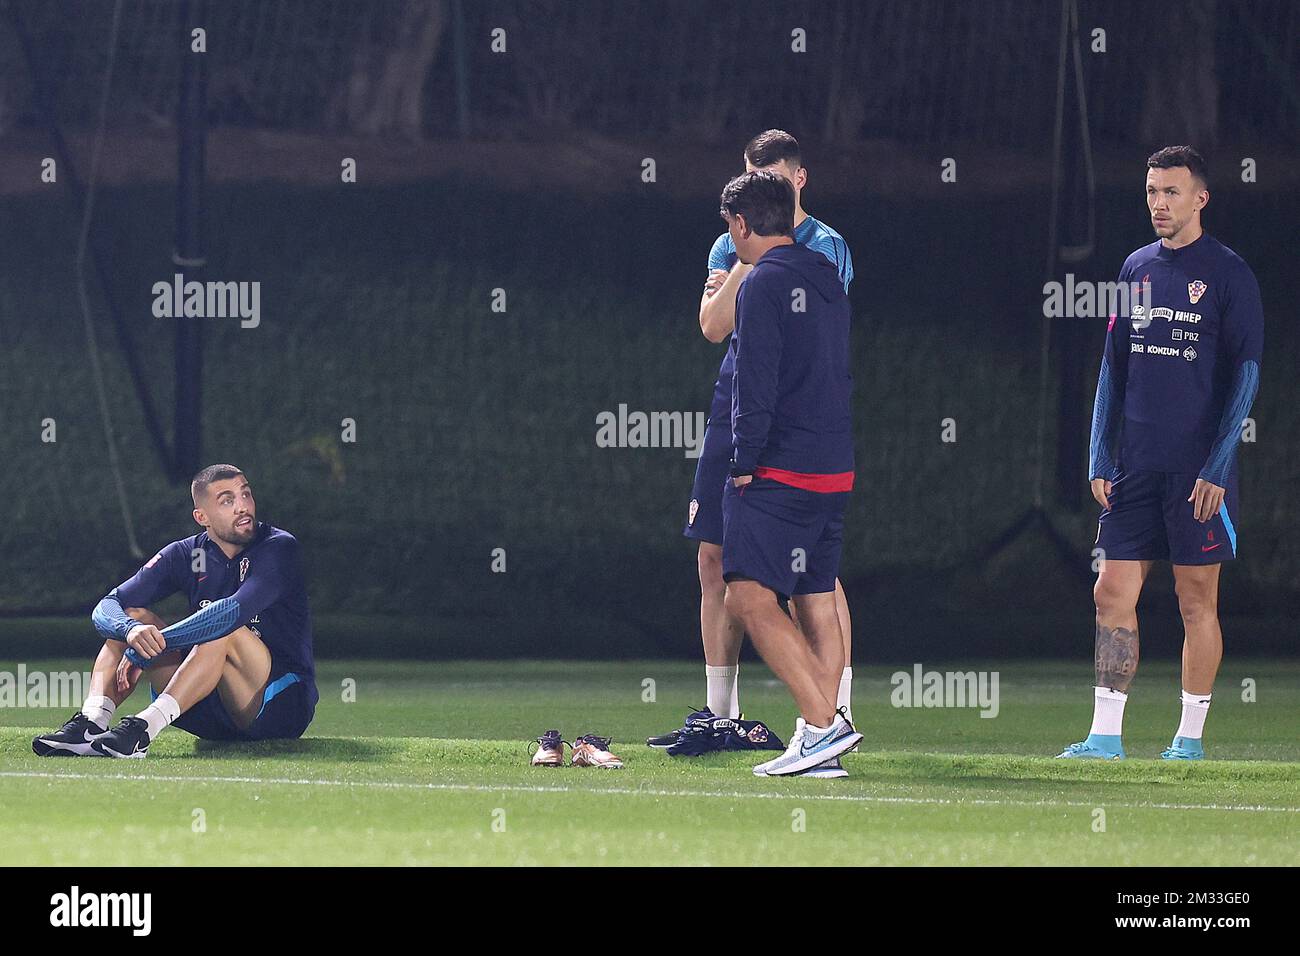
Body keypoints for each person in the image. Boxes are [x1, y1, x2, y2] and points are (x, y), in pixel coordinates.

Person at [1059, 146, 1263, 761]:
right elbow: (1113, 369)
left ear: (1200, 198)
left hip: (1197, 472)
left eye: (1171, 192)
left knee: (1195, 600)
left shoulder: (1229, 275)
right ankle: (1104, 736)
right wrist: (1100, 452)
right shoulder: (1136, 270)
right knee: (1109, 592)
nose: (1158, 204)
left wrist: (1218, 467)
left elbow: (1246, 377)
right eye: (1151, 192)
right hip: (1136, 467)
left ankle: (1188, 740)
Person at [714, 169, 861, 777]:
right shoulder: (824, 274)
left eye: (731, 226)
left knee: (747, 595)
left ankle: (822, 725)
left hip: (782, 470)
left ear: (743, 225)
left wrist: (743, 462)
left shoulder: (764, 283)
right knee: (814, 596)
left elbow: (758, 384)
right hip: (834, 467)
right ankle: (821, 737)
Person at [32, 464, 317, 758]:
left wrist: (157, 644)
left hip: (279, 705)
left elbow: (230, 613)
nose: (242, 507)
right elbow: (106, 607)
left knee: (223, 629)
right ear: (201, 517)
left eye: (245, 494)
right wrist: (131, 632)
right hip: (208, 707)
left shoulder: (278, 548)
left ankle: (143, 729)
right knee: (133, 617)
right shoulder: (188, 554)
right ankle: (92, 723)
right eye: (227, 500)